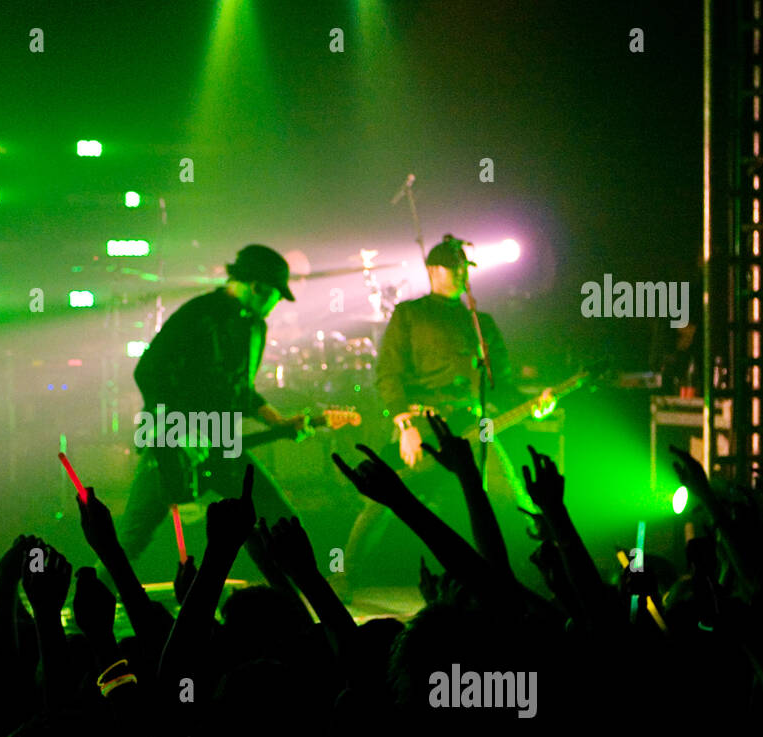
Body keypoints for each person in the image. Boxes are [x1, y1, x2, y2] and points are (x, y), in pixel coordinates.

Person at [341, 235, 548, 592]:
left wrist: (536, 403)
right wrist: (405, 424)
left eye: (464, 268)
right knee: (387, 496)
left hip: (472, 422)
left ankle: (531, 578)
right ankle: (347, 574)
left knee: (512, 495)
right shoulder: (410, 313)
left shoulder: (479, 320)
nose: (460, 274)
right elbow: (388, 373)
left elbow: (502, 383)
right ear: (433, 269)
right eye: (453, 268)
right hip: (425, 419)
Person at [116, 244, 313, 572]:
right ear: (257, 286)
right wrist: (181, 432)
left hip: (223, 444)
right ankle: (84, 611)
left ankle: (289, 606)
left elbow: (240, 389)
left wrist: (278, 422)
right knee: (130, 540)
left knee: (281, 521)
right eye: (276, 294)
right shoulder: (198, 314)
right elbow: (149, 372)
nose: (278, 302)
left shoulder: (255, 328)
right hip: (171, 446)